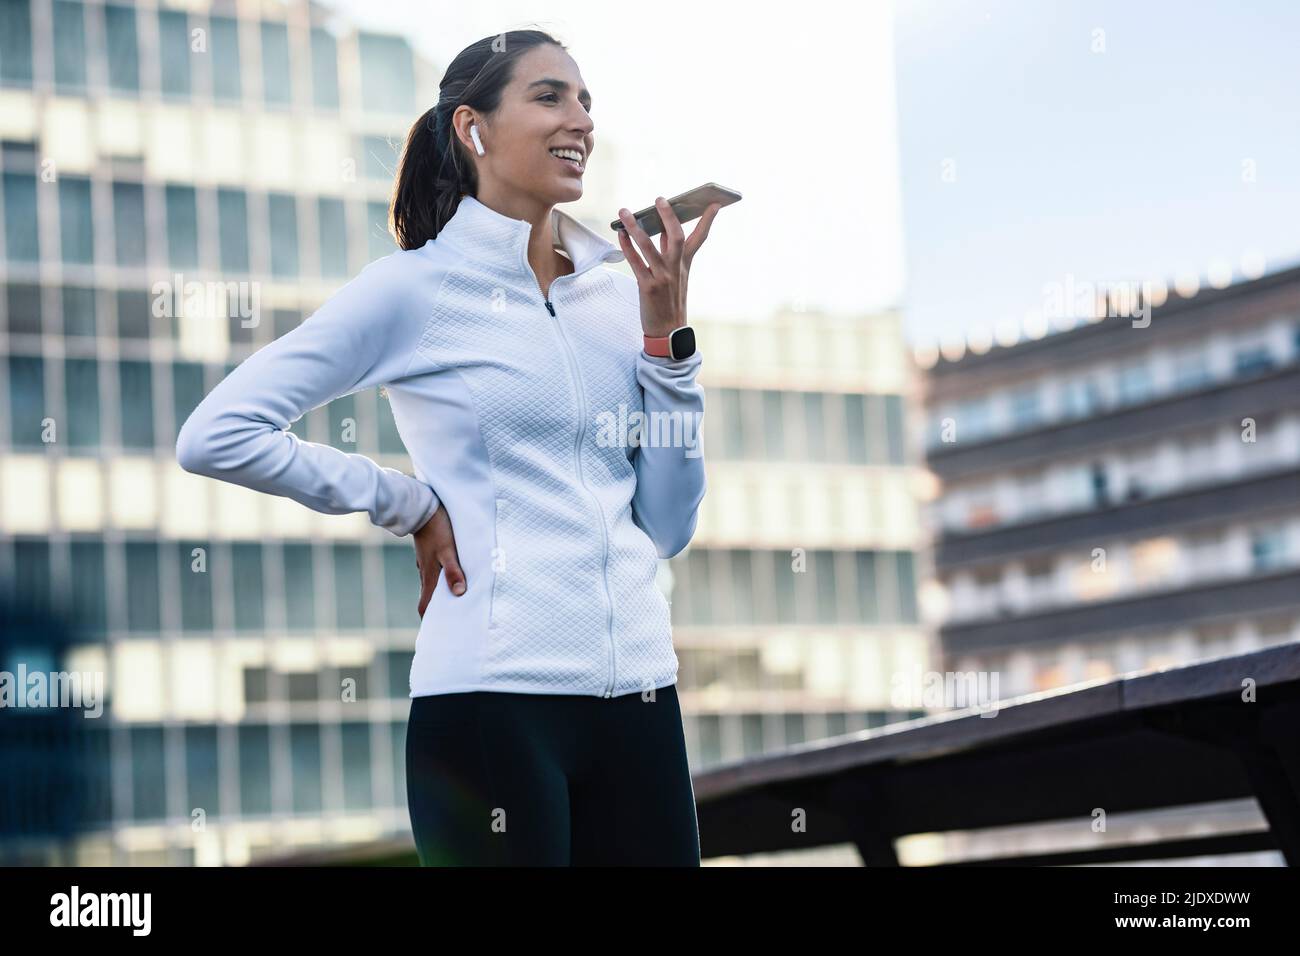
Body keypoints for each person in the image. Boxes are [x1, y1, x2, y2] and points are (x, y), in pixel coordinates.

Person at [176, 29, 722, 866]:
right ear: (472, 128)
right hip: (491, 708)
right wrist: (409, 502)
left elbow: (670, 523)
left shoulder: (619, 294)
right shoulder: (414, 290)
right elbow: (216, 434)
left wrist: (665, 346)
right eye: (549, 96)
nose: (578, 118)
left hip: (643, 702)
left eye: (585, 101)